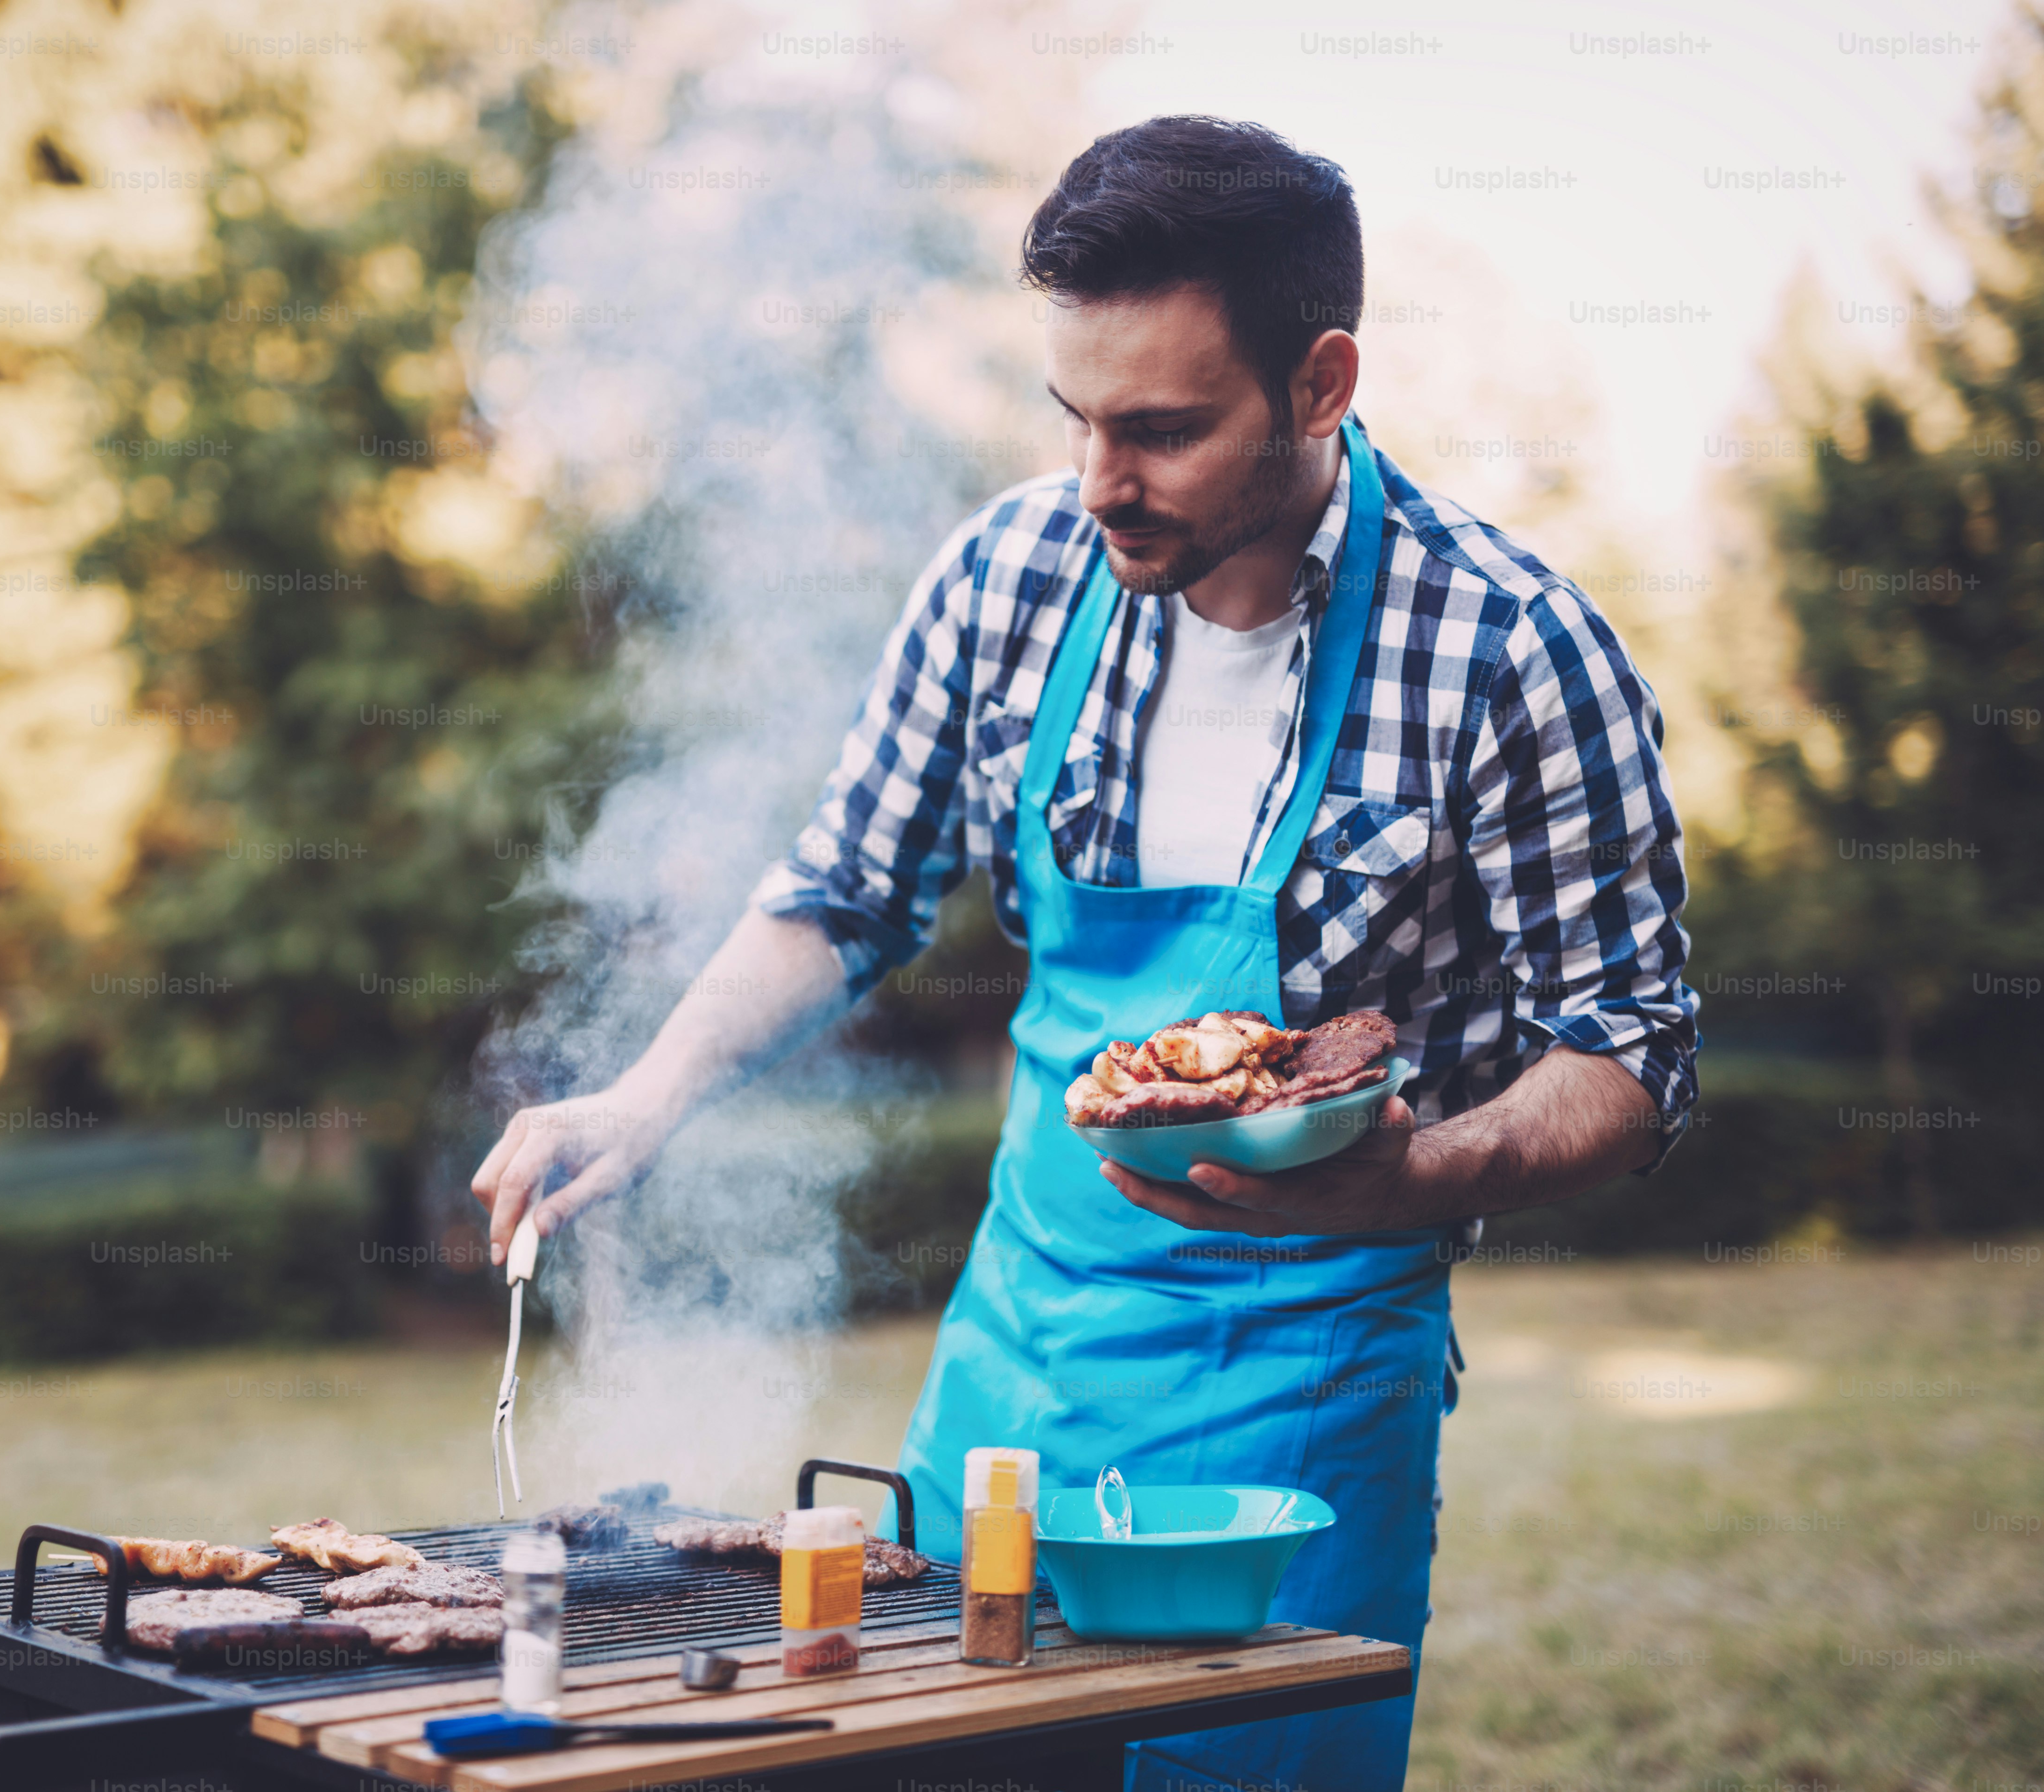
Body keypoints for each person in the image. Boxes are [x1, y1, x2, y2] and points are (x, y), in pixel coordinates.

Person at [472, 114, 1698, 1792]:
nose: (1102, 482)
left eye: (1164, 431)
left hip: (1303, 1393)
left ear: (1322, 383)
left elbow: (1630, 1053)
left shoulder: (1512, 650)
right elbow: (844, 890)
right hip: (1012, 1370)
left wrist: (1413, 1181)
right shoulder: (1009, 578)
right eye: (1076, 420)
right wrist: (645, 1097)